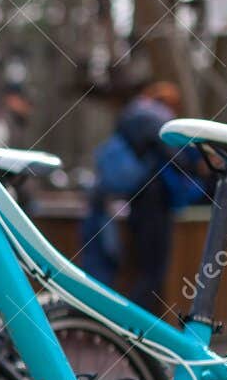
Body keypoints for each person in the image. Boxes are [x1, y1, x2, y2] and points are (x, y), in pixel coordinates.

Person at [82, 81, 196, 309]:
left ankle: (110, 314)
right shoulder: (155, 121)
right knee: (152, 270)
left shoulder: (131, 116)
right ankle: (136, 321)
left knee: (123, 266)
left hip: (129, 203)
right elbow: (178, 159)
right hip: (152, 205)